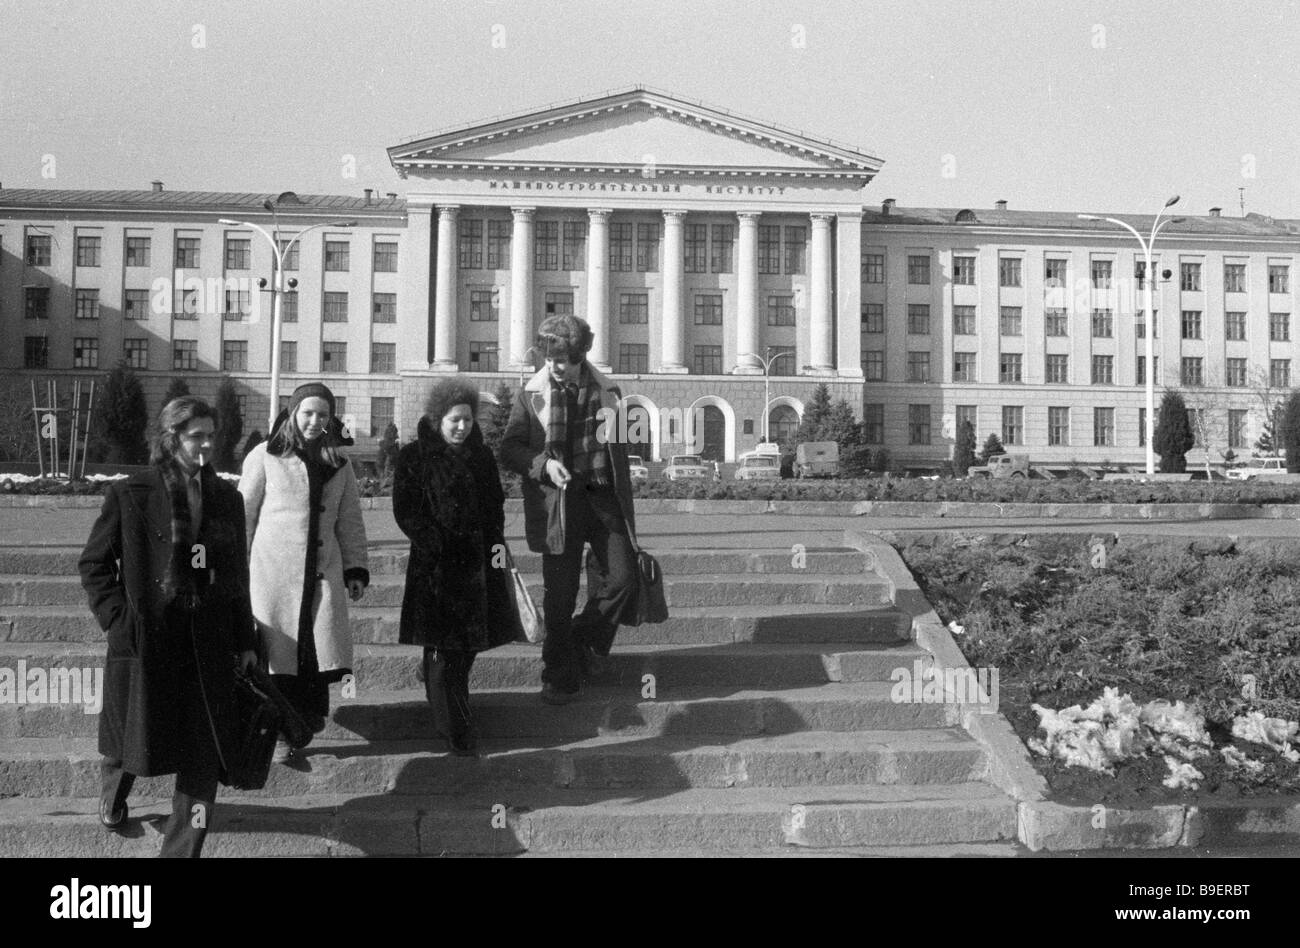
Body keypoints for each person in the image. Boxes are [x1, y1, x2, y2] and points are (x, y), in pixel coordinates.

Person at [79, 396, 258, 858]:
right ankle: (114, 790)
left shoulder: (226, 498)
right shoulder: (132, 493)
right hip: (150, 637)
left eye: (211, 436)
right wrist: (120, 623)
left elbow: (237, 575)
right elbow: (95, 564)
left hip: (207, 639)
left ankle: (181, 851)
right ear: (172, 438)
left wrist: (245, 640)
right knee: (134, 734)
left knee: (203, 752)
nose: (206, 445)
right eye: (196, 436)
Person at [501, 314, 638, 704]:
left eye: (561, 360)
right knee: (559, 595)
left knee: (624, 578)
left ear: (579, 356)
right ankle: (557, 672)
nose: (554, 367)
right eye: (548, 358)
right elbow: (510, 448)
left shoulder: (610, 392)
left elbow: (621, 453)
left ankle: (578, 640)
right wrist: (544, 464)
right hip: (557, 505)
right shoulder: (532, 394)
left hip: (603, 501)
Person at [239, 382, 369, 761]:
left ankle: (304, 720)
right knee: (278, 654)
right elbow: (244, 515)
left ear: (332, 419)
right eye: (307, 413)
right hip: (273, 575)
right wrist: (237, 567)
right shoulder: (266, 455)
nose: (314, 421)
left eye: (323, 415)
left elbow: (350, 521)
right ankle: (280, 734)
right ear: (293, 414)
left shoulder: (339, 464)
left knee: (314, 654)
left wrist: (355, 568)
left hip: (322, 575)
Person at [393, 379, 517, 754]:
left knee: (464, 650)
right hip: (437, 570)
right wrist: (433, 543)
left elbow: (495, 504)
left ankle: (436, 685)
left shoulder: (480, 456)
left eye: (466, 420)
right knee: (444, 654)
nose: (462, 427)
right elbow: (406, 510)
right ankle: (457, 733)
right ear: (438, 419)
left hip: (478, 566)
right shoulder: (415, 456)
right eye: (454, 421)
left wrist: (495, 548)